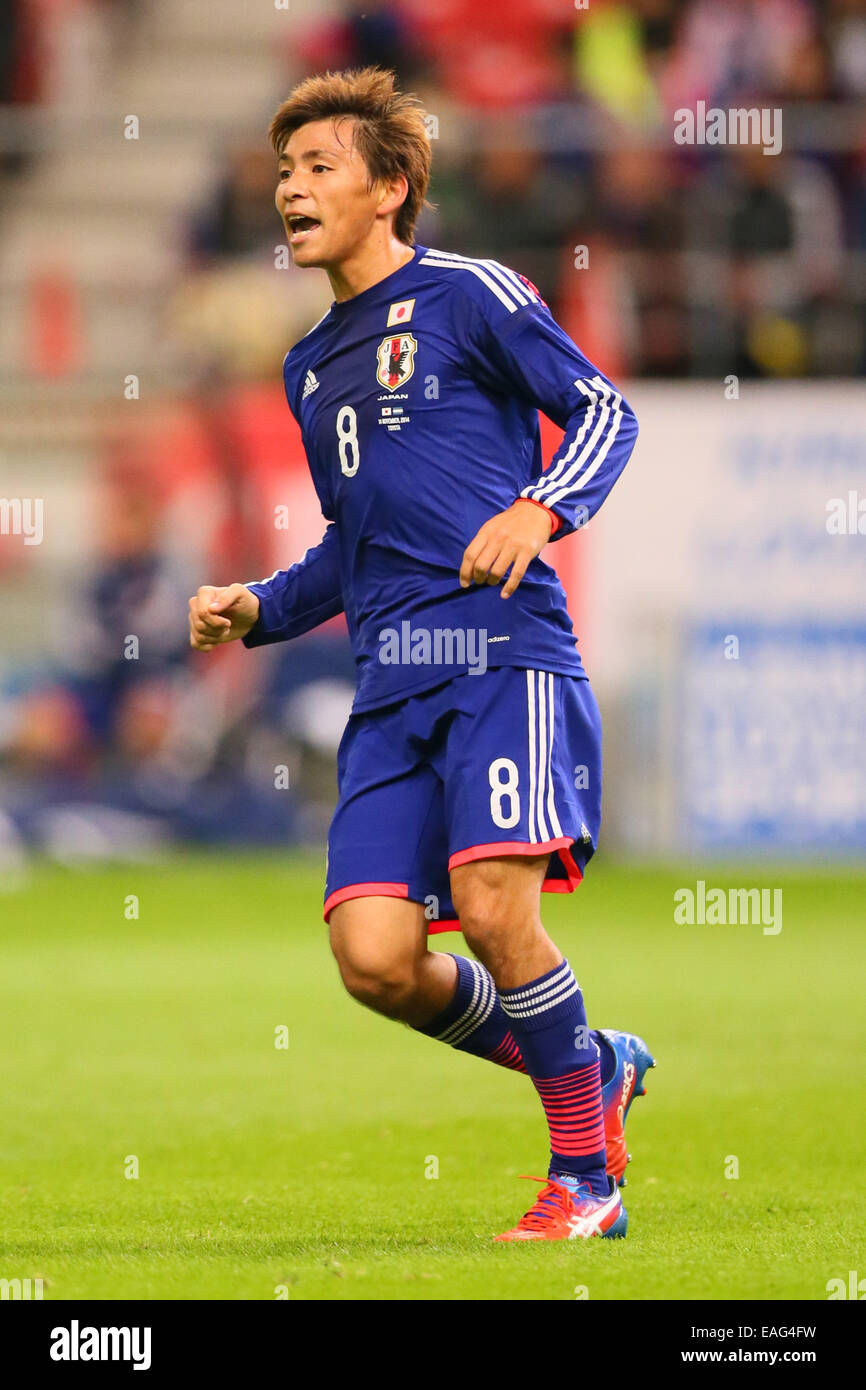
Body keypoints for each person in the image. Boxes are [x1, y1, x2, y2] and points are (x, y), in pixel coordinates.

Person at [189, 66, 653, 1241]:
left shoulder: (470, 293)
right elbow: (353, 548)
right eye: (284, 169)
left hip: (501, 656)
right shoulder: (307, 368)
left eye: (317, 167)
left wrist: (539, 508)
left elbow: (604, 410)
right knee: (374, 957)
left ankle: (584, 1185)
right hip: (390, 686)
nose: (290, 188)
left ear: (389, 188)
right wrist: (257, 603)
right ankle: (591, 1061)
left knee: (499, 916)